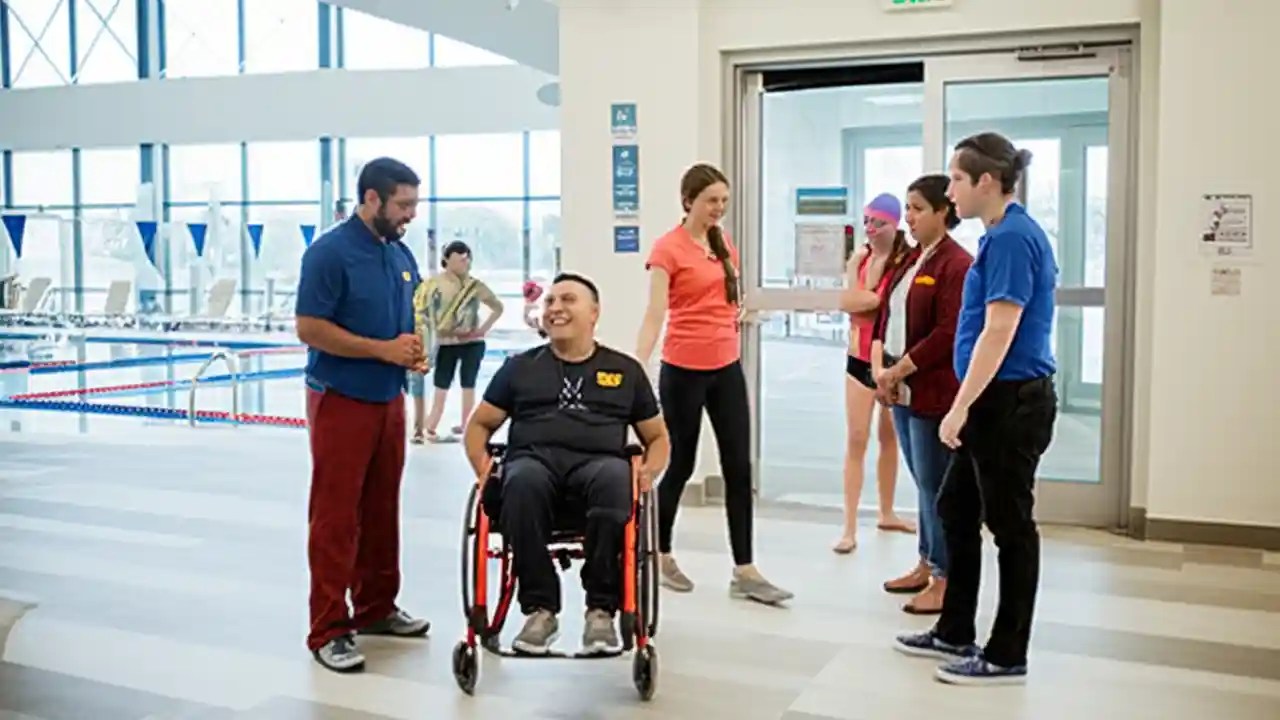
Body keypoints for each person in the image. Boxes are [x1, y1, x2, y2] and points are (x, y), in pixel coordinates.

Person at [893, 132, 1058, 686]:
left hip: (1009, 402)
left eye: (957, 180)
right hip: (993, 398)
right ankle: (955, 628)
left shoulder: (1011, 238)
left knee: (1011, 527)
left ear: (986, 182)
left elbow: (1000, 330)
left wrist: (959, 407)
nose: (951, 190)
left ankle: (1007, 652)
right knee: (955, 509)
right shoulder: (999, 234)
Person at [464, 272, 670, 655]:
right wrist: (483, 469)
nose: (555, 308)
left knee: (614, 478)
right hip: (533, 465)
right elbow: (479, 425)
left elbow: (657, 437)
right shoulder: (520, 368)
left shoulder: (625, 371)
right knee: (520, 480)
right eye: (549, 302)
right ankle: (540, 610)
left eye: (567, 300)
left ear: (594, 312)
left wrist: (649, 471)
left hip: (598, 468)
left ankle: (601, 611)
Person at [294, 157, 432, 674]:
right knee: (336, 516)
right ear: (371, 199)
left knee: (381, 508)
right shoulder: (329, 253)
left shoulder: (398, 252)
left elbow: (405, 322)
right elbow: (309, 327)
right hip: (341, 397)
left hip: (387, 399)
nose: (410, 215)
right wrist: (381, 350)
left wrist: (412, 353)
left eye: (413, 204)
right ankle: (329, 627)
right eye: (403, 205)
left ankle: (376, 607)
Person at [635, 162, 791, 605]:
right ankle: (660, 553)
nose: (718, 208)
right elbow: (655, 313)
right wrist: (637, 365)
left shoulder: (725, 245)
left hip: (726, 368)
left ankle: (745, 569)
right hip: (683, 369)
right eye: (710, 201)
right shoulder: (667, 249)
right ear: (688, 201)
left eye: (723, 200)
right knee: (680, 464)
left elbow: (726, 300)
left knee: (738, 468)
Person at [869, 175, 973, 614]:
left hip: (929, 389)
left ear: (942, 212)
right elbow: (884, 313)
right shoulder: (911, 259)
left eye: (917, 209)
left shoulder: (957, 263)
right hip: (898, 386)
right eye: (907, 209)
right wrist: (879, 368)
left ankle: (946, 578)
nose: (908, 217)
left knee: (936, 488)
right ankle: (926, 564)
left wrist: (899, 370)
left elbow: (949, 332)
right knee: (922, 481)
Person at [834, 192, 914, 554]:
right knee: (856, 438)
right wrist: (858, 280)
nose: (870, 228)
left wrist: (864, 297)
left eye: (878, 222)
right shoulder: (861, 260)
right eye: (867, 221)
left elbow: (875, 303)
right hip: (859, 359)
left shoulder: (905, 261)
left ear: (894, 224)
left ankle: (886, 511)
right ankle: (849, 526)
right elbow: (852, 302)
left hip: (893, 360)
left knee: (890, 438)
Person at [412, 240, 504, 443]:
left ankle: (467, 424)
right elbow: (422, 313)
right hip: (446, 342)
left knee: (468, 384)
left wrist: (482, 330)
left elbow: (497, 307)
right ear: (447, 259)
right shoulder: (434, 285)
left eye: (467, 258)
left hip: (472, 343)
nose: (465, 262)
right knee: (441, 384)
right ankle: (430, 425)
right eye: (460, 258)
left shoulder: (475, 285)